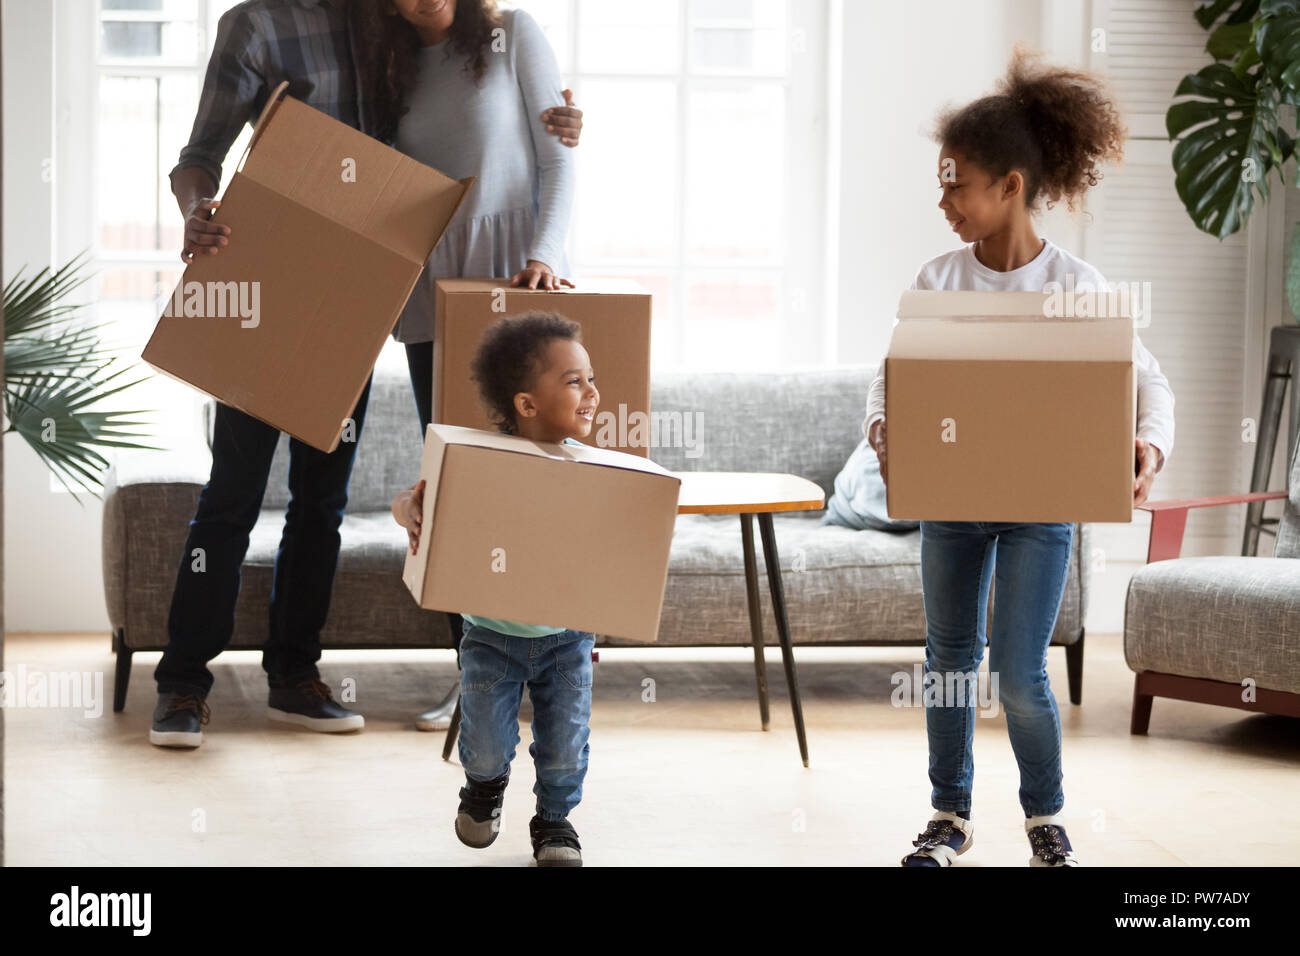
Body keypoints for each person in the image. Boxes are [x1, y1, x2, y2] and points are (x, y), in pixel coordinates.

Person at [150, 0, 583, 749]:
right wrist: (197, 208)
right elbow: (197, 156)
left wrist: (565, 122)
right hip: (272, 284)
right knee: (234, 491)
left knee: (322, 498)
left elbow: (489, 127)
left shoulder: (389, 25)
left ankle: (294, 675)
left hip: (363, 292)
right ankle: (182, 684)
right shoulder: (254, 25)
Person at [863, 49, 1176, 866]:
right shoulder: (938, 281)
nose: (944, 202)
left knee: (1018, 673)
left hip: (1042, 512)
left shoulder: (1076, 284)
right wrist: (882, 429)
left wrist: (1147, 443)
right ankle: (949, 816)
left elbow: (1149, 385)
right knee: (948, 664)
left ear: (1009, 185)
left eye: (956, 183)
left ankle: (1044, 818)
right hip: (953, 509)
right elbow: (887, 384)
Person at [350, 0, 578, 731]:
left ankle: (552, 677)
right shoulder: (387, 63)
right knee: (457, 492)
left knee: (538, 489)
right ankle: (480, 679)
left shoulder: (514, 33)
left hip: (517, 285)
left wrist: (545, 254)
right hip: (433, 296)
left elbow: (558, 155)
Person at [392, 312, 598, 866]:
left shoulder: (595, 472)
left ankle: (555, 823)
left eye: (591, 378)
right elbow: (411, 502)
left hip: (568, 637)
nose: (592, 393)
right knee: (484, 743)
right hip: (490, 637)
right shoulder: (478, 463)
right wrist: (411, 508)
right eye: (575, 380)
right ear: (527, 405)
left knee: (565, 745)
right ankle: (483, 788)